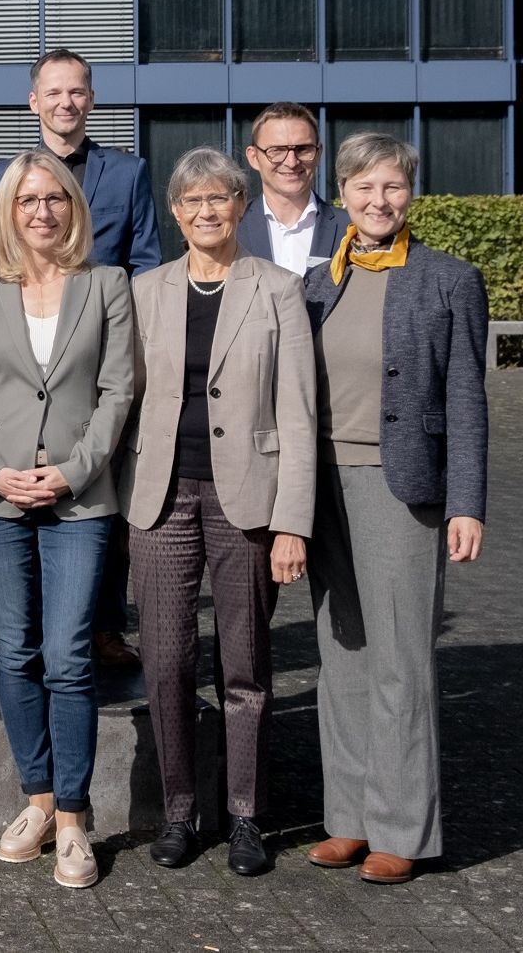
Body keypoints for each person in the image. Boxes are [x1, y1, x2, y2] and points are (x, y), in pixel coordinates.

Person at [121, 147, 316, 877]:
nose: (207, 211)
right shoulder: (145, 290)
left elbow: (299, 411)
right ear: (175, 213)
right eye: (193, 201)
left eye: (220, 199)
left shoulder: (278, 288)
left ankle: (246, 815)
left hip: (249, 499)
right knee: (167, 660)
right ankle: (179, 811)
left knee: (246, 665)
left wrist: (293, 519)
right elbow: (124, 397)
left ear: (241, 207)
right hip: (160, 496)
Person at [301, 133, 487, 885]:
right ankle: (349, 817)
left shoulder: (449, 279)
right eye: (364, 187)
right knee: (341, 653)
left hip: (400, 485)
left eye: (393, 187)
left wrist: (466, 502)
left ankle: (402, 828)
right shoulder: (317, 281)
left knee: (401, 659)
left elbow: (468, 400)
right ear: (342, 193)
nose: (379, 201)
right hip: (323, 485)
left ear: (410, 193)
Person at [0, 151, 135, 890]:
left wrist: (73, 469)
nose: (41, 211)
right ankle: (35, 800)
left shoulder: (107, 284)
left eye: (54, 198)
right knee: (15, 652)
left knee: (69, 654)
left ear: (73, 206)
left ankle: (73, 817)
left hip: (79, 497)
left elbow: (119, 391)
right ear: (8, 209)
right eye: (27, 199)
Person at [0, 48, 160, 669]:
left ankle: (103, 626)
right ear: (34, 102)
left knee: (99, 491)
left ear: (92, 99)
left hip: (98, 353)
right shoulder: (7, 177)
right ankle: (18, 626)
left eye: (77, 91)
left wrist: (119, 340)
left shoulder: (127, 173)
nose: (66, 102)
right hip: (24, 348)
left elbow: (145, 262)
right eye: (53, 92)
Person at [238, 102, 349, 275]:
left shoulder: (349, 229)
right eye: (277, 150)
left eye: (303, 149)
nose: (291, 162)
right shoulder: (233, 228)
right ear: (253, 157)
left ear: (318, 154)